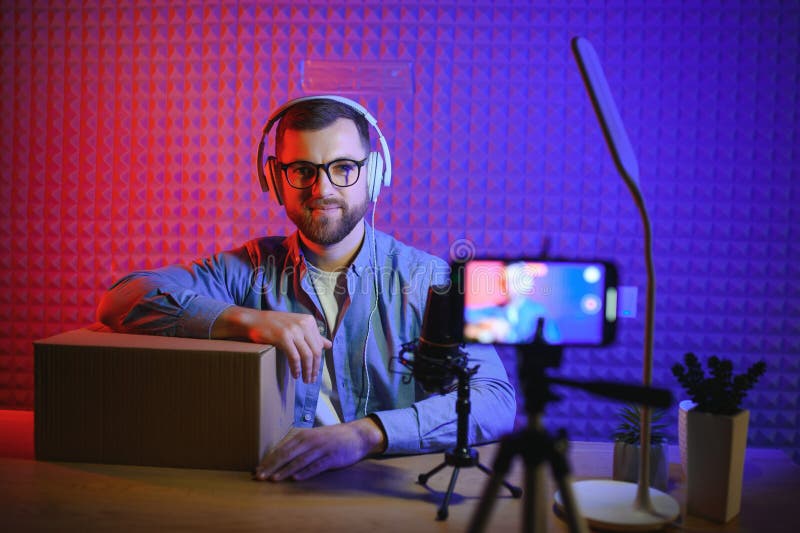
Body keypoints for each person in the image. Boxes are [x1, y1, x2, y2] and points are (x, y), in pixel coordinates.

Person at [97, 95, 516, 481]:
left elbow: (494, 400)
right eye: (302, 171)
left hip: (385, 498)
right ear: (275, 179)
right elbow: (121, 299)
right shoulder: (246, 270)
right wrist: (248, 320)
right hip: (270, 492)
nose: (322, 190)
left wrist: (366, 434)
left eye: (344, 168)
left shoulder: (429, 280)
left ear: (373, 175)